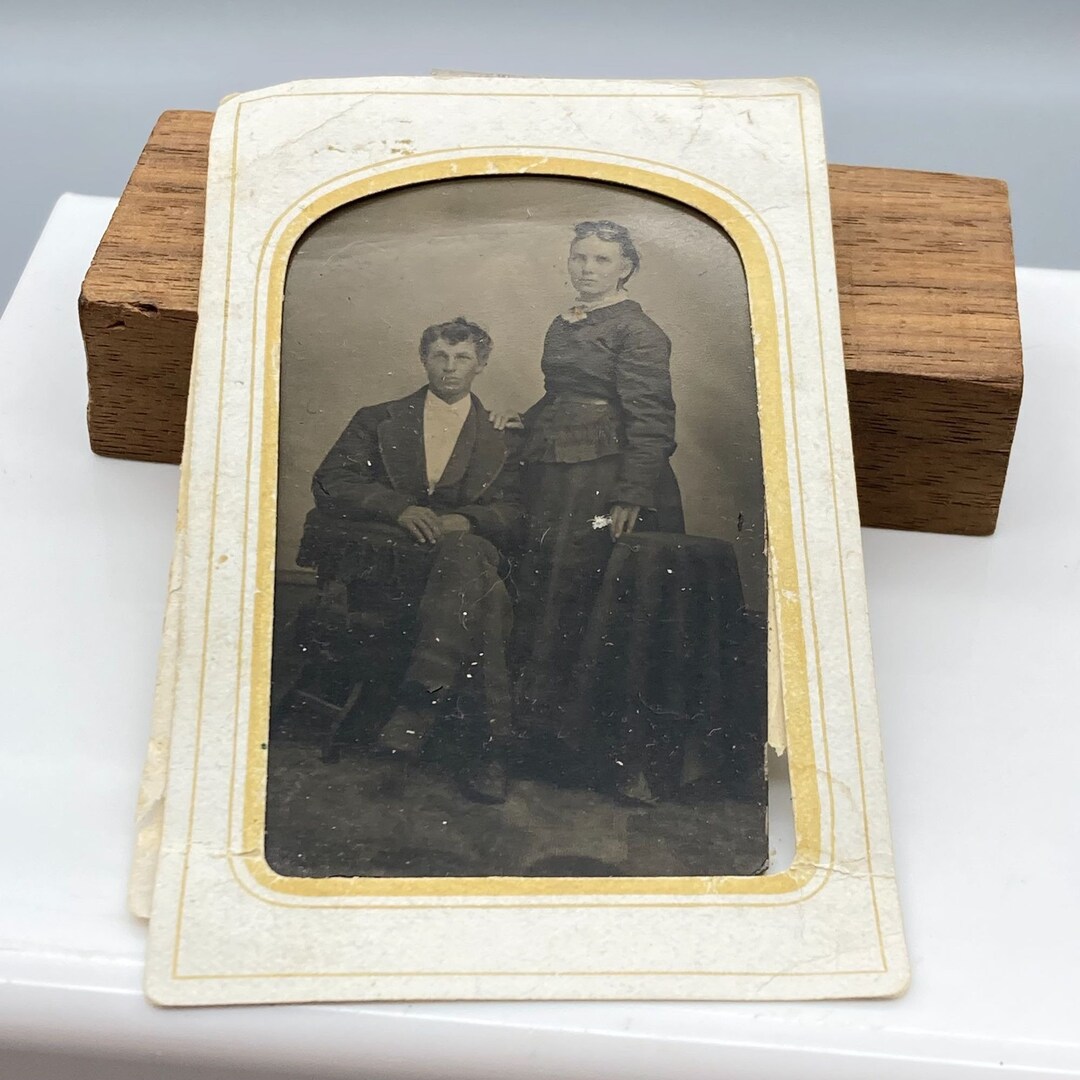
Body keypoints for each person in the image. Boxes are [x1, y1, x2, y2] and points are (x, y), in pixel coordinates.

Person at [496, 220, 685, 804]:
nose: (588, 269)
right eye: (580, 257)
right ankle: (539, 741)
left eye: (603, 260)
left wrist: (632, 494)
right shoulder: (566, 319)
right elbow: (563, 392)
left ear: (626, 267)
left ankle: (600, 753)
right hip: (556, 475)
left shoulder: (641, 332)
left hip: (607, 489)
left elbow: (651, 420)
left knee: (588, 593)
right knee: (544, 586)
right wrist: (529, 420)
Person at [302, 317, 523, 803]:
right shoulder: (376, 418)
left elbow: (517, 510)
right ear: (423, 359)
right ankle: (490, 750)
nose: (450, 367)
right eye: (440, 356)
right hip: (394, 567)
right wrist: (396, 507)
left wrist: (467, 519)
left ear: (481, 364)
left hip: (461, 557)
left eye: (462, 357)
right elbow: (331, 481)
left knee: (465, 553)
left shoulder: (502, 434)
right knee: (488, 600)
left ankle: (417, 708)